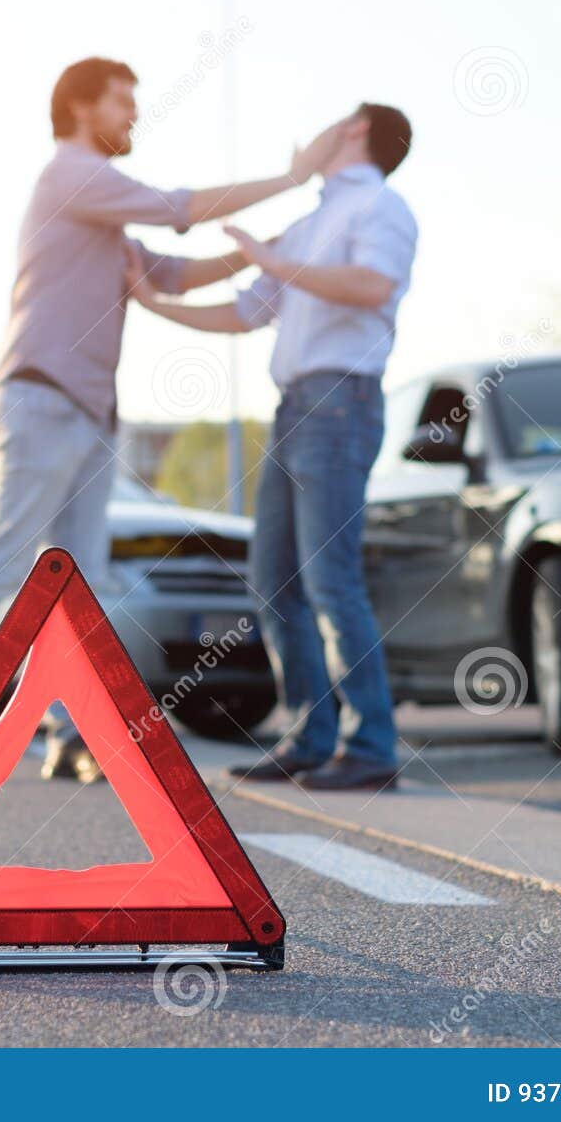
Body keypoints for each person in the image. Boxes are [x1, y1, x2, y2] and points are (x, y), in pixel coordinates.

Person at [0, 56, 344, 780]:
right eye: (121, 101)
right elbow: (180, 206)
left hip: (90, 413)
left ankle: (70, 733)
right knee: (4, 558)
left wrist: (267, 251)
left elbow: (172, 274)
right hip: (41, 400)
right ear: (80, 108)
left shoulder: (102, 216)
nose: (133, 114)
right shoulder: (72, 175)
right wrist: (290, 178)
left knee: (80, 582)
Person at [124, 103, 417, 791]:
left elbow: (372, 285)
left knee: (330, 579)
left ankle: (371, 746)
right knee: (275, 579)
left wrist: (269, 257)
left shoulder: (381, 206)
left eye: (332, 120)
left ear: (353, 131)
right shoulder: (312, 223)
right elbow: (247, 311)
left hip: (340, 401)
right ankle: (311, 737)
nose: (312, 132)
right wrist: (154, 304)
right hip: (295, 408)